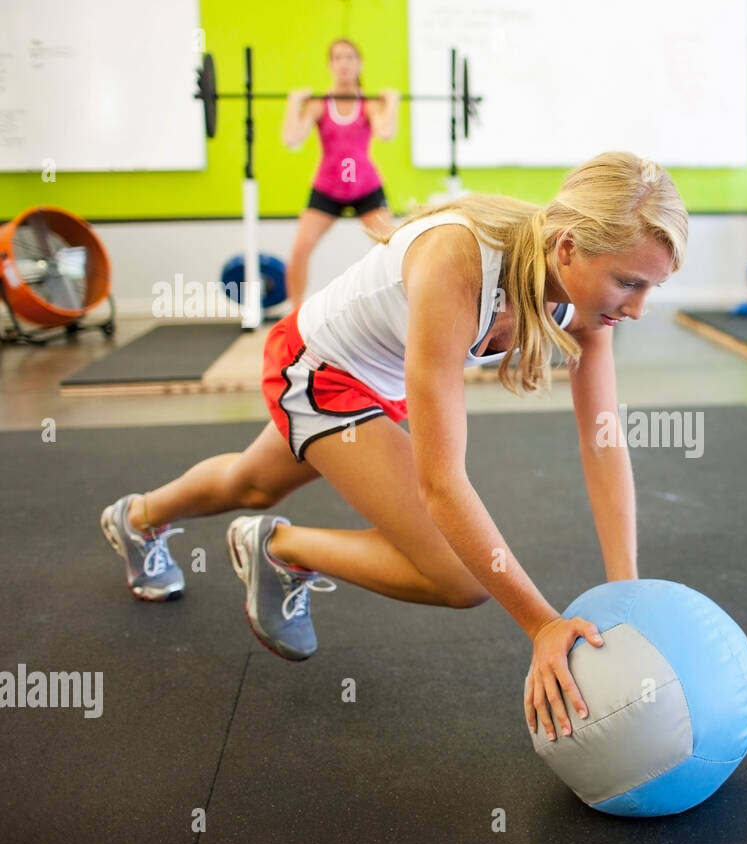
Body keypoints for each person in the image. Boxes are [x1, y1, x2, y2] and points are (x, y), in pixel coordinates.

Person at [100, 151, 688, 743]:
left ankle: (137, 518)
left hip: (382, 382)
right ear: (568, 248)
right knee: (462, 580)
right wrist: (541, 626)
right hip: (318, 371)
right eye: (629, 283)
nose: (637, 308)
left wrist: (626, 591)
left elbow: (602, 440)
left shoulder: (585, 298)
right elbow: (442, 484)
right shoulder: (461, 263)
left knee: (251, 483)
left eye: (651, 287)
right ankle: (281, 548)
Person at [282, 38, 400, 309]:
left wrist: (392, 102)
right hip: (328, 189)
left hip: (366, 188)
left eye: (349, 57)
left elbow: (386, 132)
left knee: (393, 250)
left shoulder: (369, 103)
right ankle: (295, 315)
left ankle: (394, 313)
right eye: (337, 58)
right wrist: (293, 102)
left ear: (359, 63)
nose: (344, 64)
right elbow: (291, 138)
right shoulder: (318, 104)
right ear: (330, 65)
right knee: (299, 251)